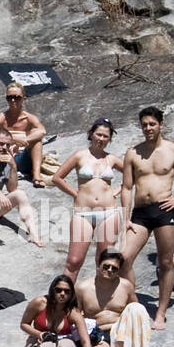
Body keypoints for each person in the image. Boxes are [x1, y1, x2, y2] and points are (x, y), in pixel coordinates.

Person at [121, 106, 174, 330]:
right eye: (144, 125)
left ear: (161, 125)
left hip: (164, 209)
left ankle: (160, 313)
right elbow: (126, 186)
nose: (148, 128)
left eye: (152, 124)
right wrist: (125, 216)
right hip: (140, 212)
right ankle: (135, 305)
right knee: (125, 257)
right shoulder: (133, 152)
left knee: (166, 262)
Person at [73, 249, 150, 347]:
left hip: (121, 332)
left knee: (137, 308)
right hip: (98, 333)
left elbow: (137, 313)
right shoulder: (83, 288)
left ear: (118, 271)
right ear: (98, 265)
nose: (109, 270)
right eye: (106, 266)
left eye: (114, 268)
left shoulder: (126, 286)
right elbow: (75, 315)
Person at [51, 118, 124, 280]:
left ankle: (98, 301)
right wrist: (75, 193)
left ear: (110, 139)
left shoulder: (111, 158)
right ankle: (65, 299)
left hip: (109, 213)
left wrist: (116, 191)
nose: (101, 139)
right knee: (73, 261)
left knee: (104, 261)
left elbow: (132, 175)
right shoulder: (80, 156)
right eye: (99, 134)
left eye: (106, 136)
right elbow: (57, 178)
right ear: (91, 134)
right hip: (83, 213)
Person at [0, 83, 48, 185]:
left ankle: (36, 175)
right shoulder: (1, 117)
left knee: (37, 140)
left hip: (23, 157)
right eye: (9, 97)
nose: (13, 100)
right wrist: (14, 140)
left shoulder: (29, 118)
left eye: (17, 97)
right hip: (5, 157)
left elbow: (42, 131)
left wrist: (24, 141)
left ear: (23, 98)